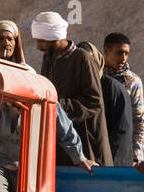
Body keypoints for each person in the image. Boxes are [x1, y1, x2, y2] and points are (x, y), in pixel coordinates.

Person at [0, 20, 97, 192]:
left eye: (10, 39)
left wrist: (79, 157)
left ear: (16, 44)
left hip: (26, 162)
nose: (6, 43)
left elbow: (57, 116)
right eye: (0, 39)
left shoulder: (28, 77)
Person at [31, 11, 113, 166]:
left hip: (86, 143)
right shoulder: (49, 58)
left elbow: (94, 102)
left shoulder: (83, 59)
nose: (39, 47)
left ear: (55, 37)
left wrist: (57, 107)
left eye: (42, 41)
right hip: (61, 141)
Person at [83, 41, 134, 166]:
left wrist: (110, 167)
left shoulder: (113, 89)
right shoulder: (78, 86)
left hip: (109, 164)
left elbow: (122, 132)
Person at [102, 32, 144, 167]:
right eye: (119, 53)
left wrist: (136, 156)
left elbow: (139, 120)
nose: (123, 58)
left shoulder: (132, 82)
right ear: (106, 51)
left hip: (122, 151)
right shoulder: (95, 77)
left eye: (126, 54)